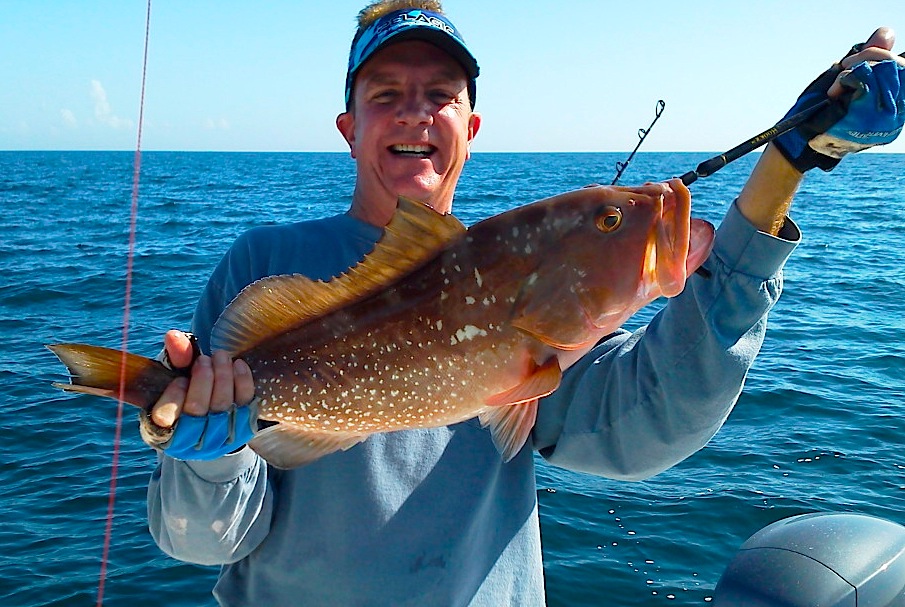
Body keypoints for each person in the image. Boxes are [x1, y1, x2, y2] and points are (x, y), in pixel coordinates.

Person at [141, 1, 905, 605]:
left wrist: (785, 165)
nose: (415, 112)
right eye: (386, 94)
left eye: (439, 95)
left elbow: (653, 421)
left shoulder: (533, 312)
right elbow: (201, 540)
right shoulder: (263, 264)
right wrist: (211, 459)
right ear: (350, 127)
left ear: (470, 128)